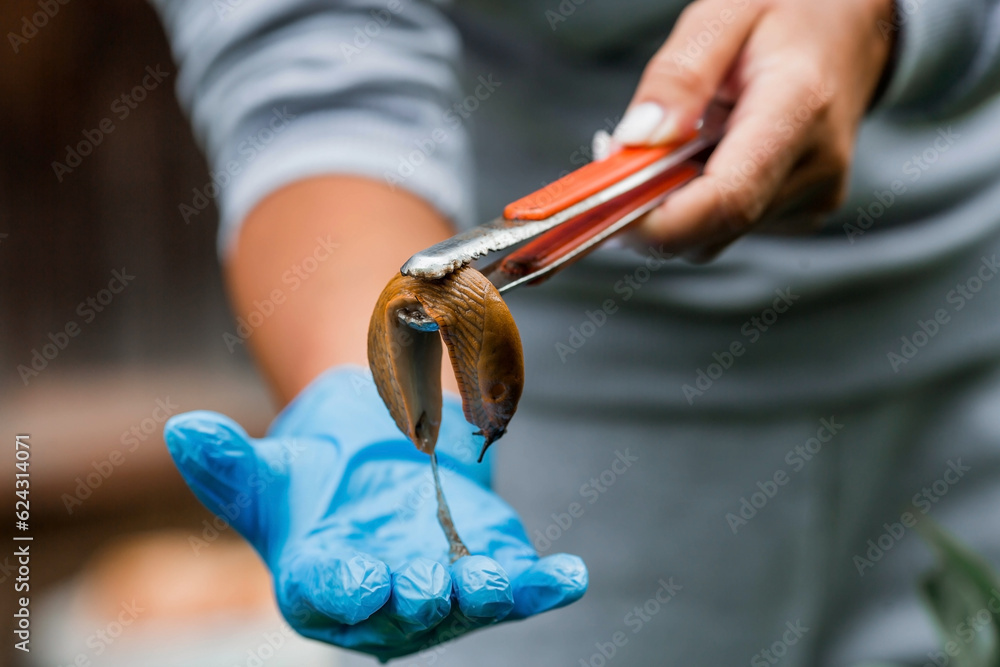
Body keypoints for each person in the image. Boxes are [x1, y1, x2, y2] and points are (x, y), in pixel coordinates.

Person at [152, 0, 1000, 664]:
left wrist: (881, 18)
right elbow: (313, 61)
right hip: (566, 422)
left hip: (975, 337)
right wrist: (365, 418)